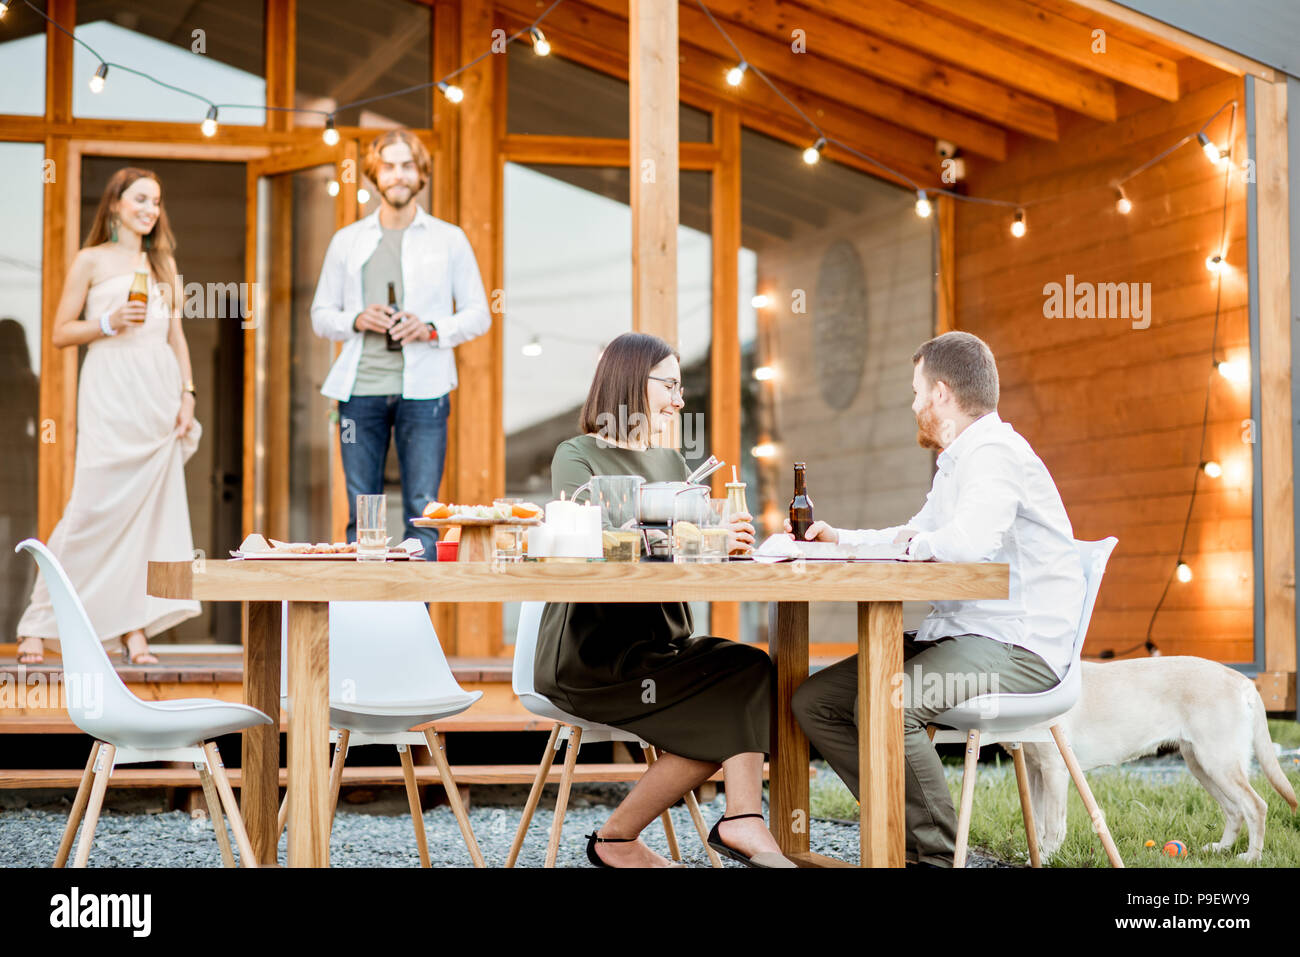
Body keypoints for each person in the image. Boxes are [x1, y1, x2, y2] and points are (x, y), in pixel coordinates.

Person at [789, 331, 1085, 867]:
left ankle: (938, 856)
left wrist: (910, 546)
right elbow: (918, 534)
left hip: (1017, 648)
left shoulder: (994, 454)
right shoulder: (959, 460)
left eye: (915, 392)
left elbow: (967, 547)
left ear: (941, 394)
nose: (913, 405)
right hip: (961, 637)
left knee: (887, 701)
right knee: (816, 702)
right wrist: (846, 542)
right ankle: (897, 835)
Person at [536, 331, 793, 868]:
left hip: (664, 647)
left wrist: (723, 538)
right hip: (593, 657)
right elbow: (598, 545)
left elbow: (682, 551)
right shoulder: (576, 455)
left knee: (752, 666)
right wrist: (682, 533)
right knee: (728, 705)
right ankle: (621, 838)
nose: (679, 399)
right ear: (632, 381)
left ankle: (740, 819)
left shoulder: (674, 461)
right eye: (669, 385)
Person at [16, 168, 202, 665]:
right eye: (141, 198)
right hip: (110, 392)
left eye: (157, 201)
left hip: (157, 396)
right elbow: (60, 333)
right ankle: (38, 622)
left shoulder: (162, 263)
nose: (150, 209)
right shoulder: (91, 259)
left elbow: (177, 339)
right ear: (116, 203)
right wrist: (107, 321)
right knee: (90, 508)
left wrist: (187, 395)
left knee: (145, 517)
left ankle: (132, 630)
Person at [310, 130, 489, 557]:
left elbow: (479, 314)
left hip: (425, 393)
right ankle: (364, 621)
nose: (398, 174)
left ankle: (414, 624)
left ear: (421, 173)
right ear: (374, 175)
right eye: (389, 166)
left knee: (424, 514)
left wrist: (430, 329)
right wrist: (356, 318)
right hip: (359, 394)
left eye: (407, 165)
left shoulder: (450, 239)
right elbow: (321, 316)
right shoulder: (347, 241)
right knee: (362, 514)